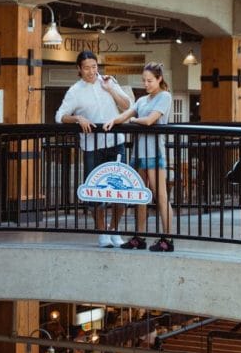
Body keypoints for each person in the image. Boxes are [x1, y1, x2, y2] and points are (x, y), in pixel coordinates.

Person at [55, 49, 132, 247]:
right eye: (87, 68)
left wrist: (111, 89)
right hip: (92, 147)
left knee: (120, 189)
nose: (91, 71)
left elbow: (127, 106)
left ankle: (115, 229)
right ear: (79, 69)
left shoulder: (108, 81)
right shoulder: (74, 91)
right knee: (96, 190)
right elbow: (60, 116)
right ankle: (102, 232)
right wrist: (77, 118)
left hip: (116, 143)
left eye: (94, 67)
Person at [105, 63, 175, 251]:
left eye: (150, 80)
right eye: (144, 80)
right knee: (140, 196)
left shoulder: (164, 96)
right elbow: (126, 114)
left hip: (154, 152)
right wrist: (114, 120)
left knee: (160, 195)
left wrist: (133, 120)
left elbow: (150, 120)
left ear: (159, 79)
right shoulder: (142, 100)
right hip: (139, 153)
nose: (146, 83)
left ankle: (167, 239)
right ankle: (140, 236)